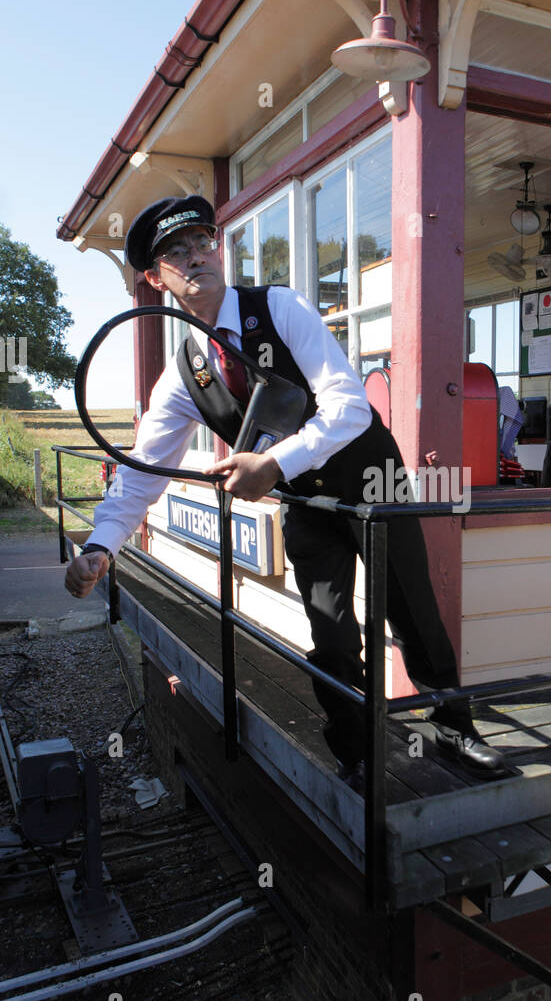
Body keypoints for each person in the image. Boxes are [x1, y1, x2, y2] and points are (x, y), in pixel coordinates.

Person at [65, 196, 511, 786]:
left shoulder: (278, 306)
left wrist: (272, 464)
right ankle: (356, 753)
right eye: (177, 252)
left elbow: (350, 406)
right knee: (329, 629)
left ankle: (455, 733)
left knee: (412, 609)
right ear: (154, 277)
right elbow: (142, 472)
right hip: (306, 499)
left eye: (202, 242)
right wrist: (101, 545)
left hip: (371, 478)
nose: (196, 257)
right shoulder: (182, 376)